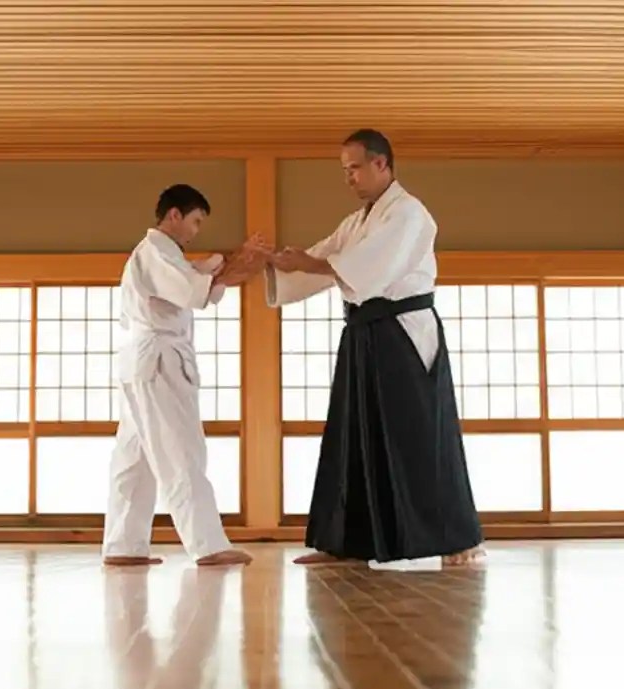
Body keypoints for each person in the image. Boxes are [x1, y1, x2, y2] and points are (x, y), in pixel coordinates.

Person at [266, 129, 485, 566]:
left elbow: (367, 271)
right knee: (353, 435)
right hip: (363, 333)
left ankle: (458, 539)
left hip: (402, 331)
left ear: (381, 164)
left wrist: (305, 262)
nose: (349, 178)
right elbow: (322, 258)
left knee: (418, 435)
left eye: (355, 167)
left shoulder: (408, 214)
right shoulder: (358, 221)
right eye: (344, 170)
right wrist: (274, 261)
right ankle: (347, 543)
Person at [103, 184, 269, 567]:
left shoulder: (161, 256)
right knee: (182, 449)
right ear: (173, 215)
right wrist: (240, 261)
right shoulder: (156, 251)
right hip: (157, 359)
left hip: (141, 361)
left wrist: (233, 264)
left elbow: (201, 283)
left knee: (136, 456)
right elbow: (198, 288)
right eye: (194, 221)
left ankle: (123, 545)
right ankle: (207, 544)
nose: (196, 230)